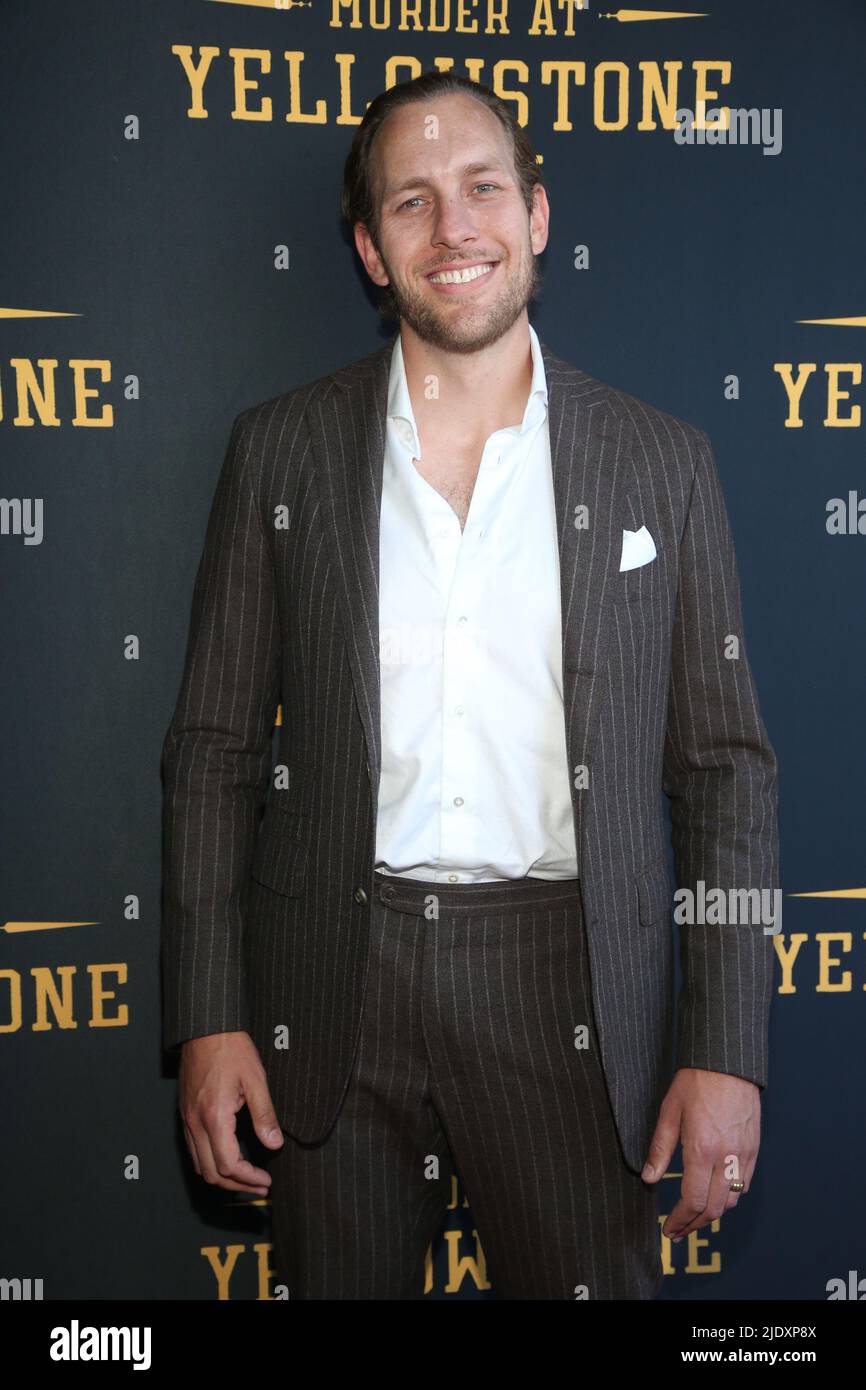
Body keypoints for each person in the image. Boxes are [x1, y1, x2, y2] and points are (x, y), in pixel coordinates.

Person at [160, 70, 780, 1300]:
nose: (454, 229)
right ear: (369, 249)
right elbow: (216, 751)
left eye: (482, 189)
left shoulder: (661, 462)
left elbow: (722, 774)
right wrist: (209, 1016)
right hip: (330, 970)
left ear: (535, 215)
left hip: (565, 982)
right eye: (412, 202)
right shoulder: (278, 448)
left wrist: (724, 1049)